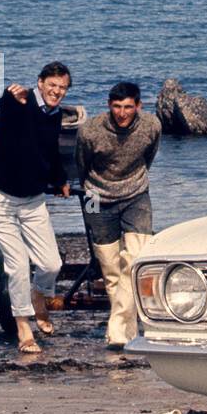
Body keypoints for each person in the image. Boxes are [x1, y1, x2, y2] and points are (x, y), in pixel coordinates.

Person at [0, 63, 72, 355]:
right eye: (52, 85)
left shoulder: (54, 114)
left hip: (32, 200)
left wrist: (60, 180)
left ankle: (38, 295)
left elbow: (49, 149)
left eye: (63, 87)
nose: (57, 91)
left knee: (51, 264)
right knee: (18, 264)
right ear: (40, 83)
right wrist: (10, 95)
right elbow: (8, 109)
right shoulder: (23, 103)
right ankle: (23, 327)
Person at [76, 81, 161, 349]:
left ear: (138, 106)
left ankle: (115, 330)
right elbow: (82, 165)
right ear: (108, 105)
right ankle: (128, 329)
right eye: (116, 107)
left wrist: (132, 181)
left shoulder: (151, 125)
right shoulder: (90, 131)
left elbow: (149, 157)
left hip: (136, 193)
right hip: (97, 198)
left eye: (128, 107)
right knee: (111, 270)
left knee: (136, 259)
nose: (122, 113)